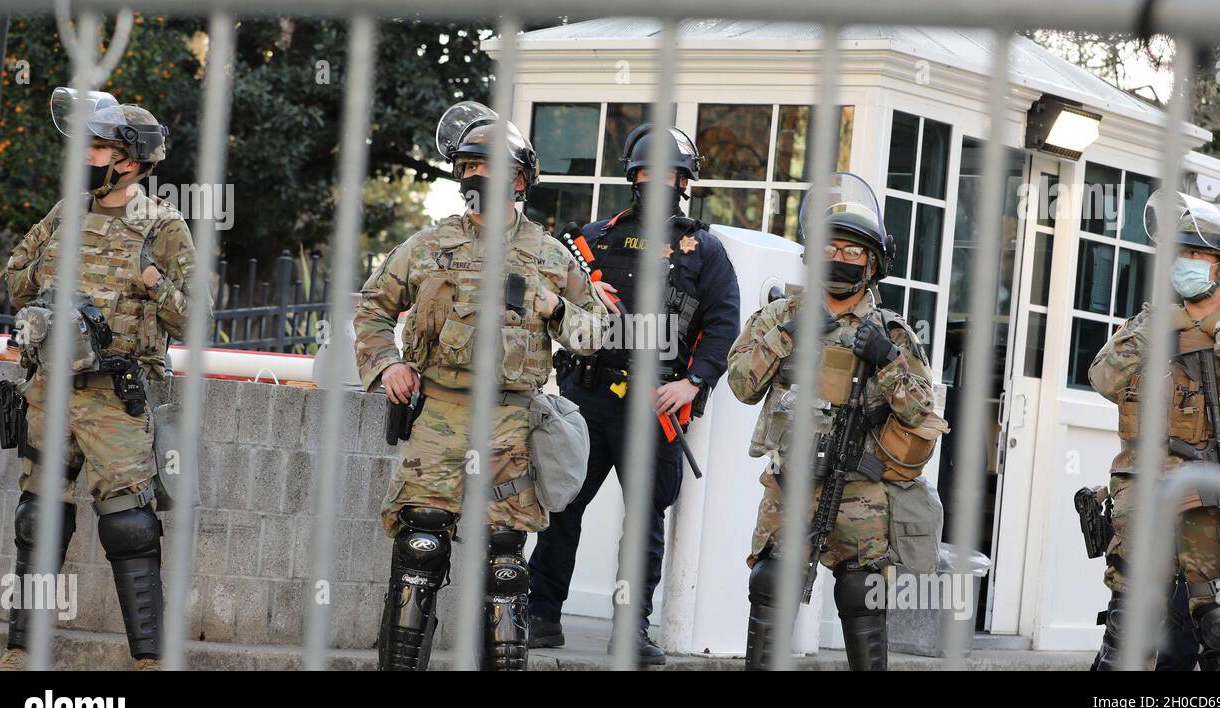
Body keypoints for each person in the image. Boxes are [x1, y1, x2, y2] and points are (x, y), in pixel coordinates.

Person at [354, 101, 610, 671]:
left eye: (489, 166)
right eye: (469, 166)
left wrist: (555, 306)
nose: (477, 176)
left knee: (505, 561)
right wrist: (387, 365)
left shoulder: (549, 254)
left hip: (510, 424)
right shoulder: (428, 245)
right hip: (439, 416)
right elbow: (372, 308)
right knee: (421, 545)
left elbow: (596, 334)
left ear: (519, 179)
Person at [0, 87, 200, 671]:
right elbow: (15, 282)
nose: (83, 155)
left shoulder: (162, 225)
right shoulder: (66, 212)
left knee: (130, 527)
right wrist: (43, 271)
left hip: (116, 398)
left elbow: (195, 317)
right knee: (37, 519)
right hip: (49, 392)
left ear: (128, 162)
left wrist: (153, 280)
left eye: (97, 147)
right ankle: (22, 651)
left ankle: (149, 661)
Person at [527, 124, 740, 665]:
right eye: (648, 172)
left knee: (644, 522)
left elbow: (723, 325)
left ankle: (631, 629)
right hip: (586, 394)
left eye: (670, 174)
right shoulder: (590, 240)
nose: (658, 182)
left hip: (655, 404)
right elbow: (549, 305)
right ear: (632, 176)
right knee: (560, 506)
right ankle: (539, 615)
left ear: (684, 182)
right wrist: (581, 295)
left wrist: (692, 384)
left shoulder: (704, 249)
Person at [726, 173, 939, 671]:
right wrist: (786, 336)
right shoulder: (779, 315)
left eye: (853, 251)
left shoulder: (892, 333)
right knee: (771, 584)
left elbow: (921, 414)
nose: (840, 258)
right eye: (831, 247)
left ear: (873, 263)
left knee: (862, 591)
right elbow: (740, 385)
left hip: (861, 487)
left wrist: (888, 361)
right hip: (790, 482)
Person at [1088, 190, 1220, 671]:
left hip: (1211, 497)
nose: (1182, 263)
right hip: (1142, 491)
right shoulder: (1149, 324)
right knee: (1127, 626)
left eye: (1195, 254)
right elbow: (1102, 378)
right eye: (1178, 253)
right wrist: (1160, 327)